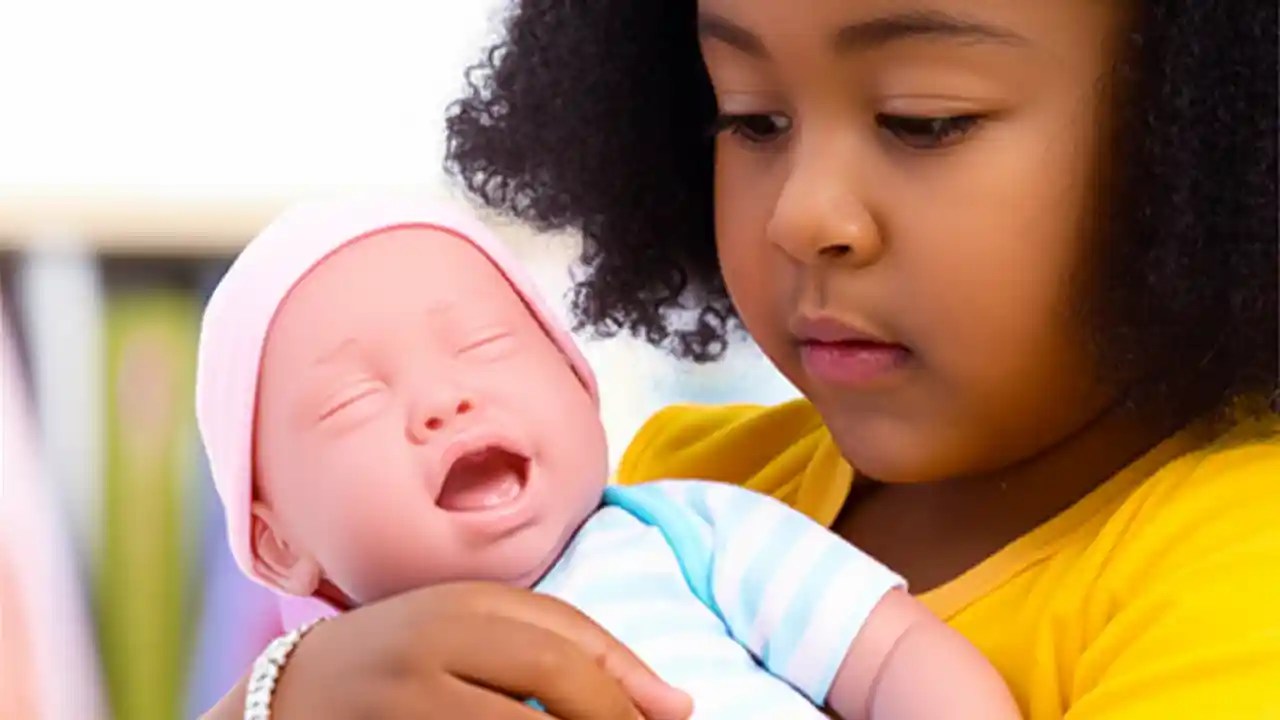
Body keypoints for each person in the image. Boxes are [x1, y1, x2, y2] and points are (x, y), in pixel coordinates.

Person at [202, 1, 1278, 718]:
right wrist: (283, 691)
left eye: (922, 121)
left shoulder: (1241, 561)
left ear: (1198, 132)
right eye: (749, 119)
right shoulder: (678, 485)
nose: (802, 215)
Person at [196, 197, 1020, 719]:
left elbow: (892, 658)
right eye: (354, 402)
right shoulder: (341, 697)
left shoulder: (685, 533)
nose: (444, 403)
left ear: (579, 386)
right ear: (275, 544)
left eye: (486, 346)